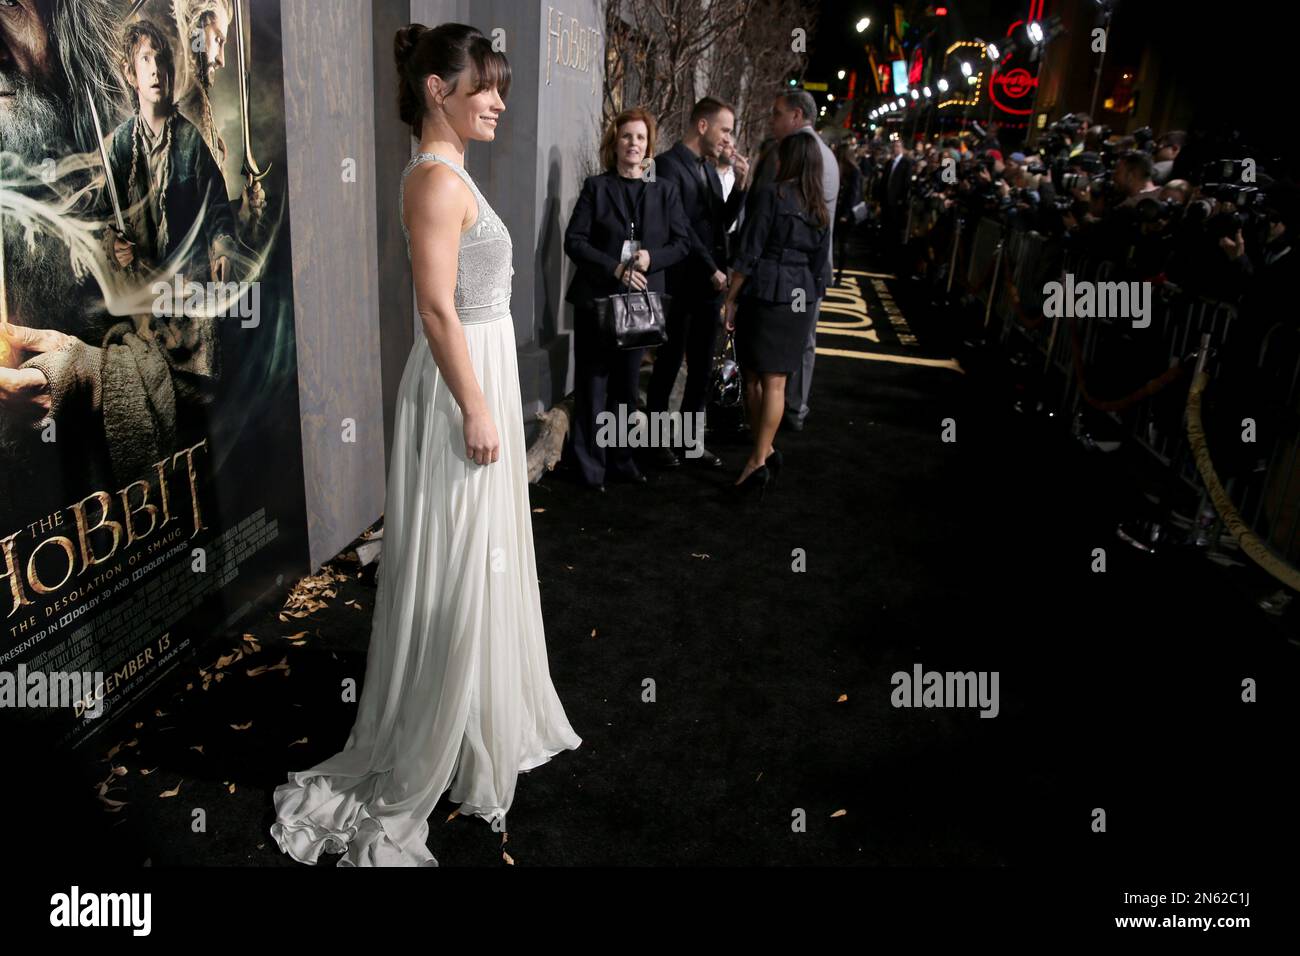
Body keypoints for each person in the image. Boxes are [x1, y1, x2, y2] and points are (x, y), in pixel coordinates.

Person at [270, 22, 581, 867]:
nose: (499, 103)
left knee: (477, 558)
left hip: (475, 376)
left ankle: (481, 719)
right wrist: (478, 409)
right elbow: (439, 311)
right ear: (438, 90)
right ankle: (440, 727)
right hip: (458, 388)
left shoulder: (449, 171)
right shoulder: (435, 182)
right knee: (457, 561)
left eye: (504, 87)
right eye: (485, 86)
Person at [562, 107, 691, 491]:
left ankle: (621, 460)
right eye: (626, 136)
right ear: (614, 143)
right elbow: (575, 241)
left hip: (640, 307)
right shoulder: (596, 187)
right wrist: (614, 268)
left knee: (625, 388)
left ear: (648, 145)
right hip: (598, 304)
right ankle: (590, 469)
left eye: (639, 137)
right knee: (592, 386)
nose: (633, 143)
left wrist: (652, 258)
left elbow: (682, 243)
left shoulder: (665, 191)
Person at [721, 132, 831, 498]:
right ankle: (764, 452)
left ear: (786, 160)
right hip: (800, 298)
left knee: (755, 379)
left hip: (766, 292)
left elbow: (750, 250)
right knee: (777, 383)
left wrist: (731, 299)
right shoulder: (820, 205)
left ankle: (757, 459)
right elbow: (820, 265)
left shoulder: (772, 193)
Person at [646, 96, 749, 468]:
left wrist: (739, 185)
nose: (728, 139)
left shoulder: (705, 168)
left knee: (703, 367)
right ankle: (655, 446)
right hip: (681, 282)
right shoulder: (667, 166)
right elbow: (682, 228)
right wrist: (712, 269)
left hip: (707, 286)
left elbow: (718, 220)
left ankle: (690, 443)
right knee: (669, 363)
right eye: (724, 130)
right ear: (702, 126)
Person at [751, 89, 837, 433]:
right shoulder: (824, 153)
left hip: (787, 277)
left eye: (777, 114)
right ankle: (791, 410)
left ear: (797, 116)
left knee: (773, 367)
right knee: (797, 349)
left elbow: (770, 222)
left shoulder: (800, 154)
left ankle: (780, 422)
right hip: (807, 274)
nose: (772, 121)